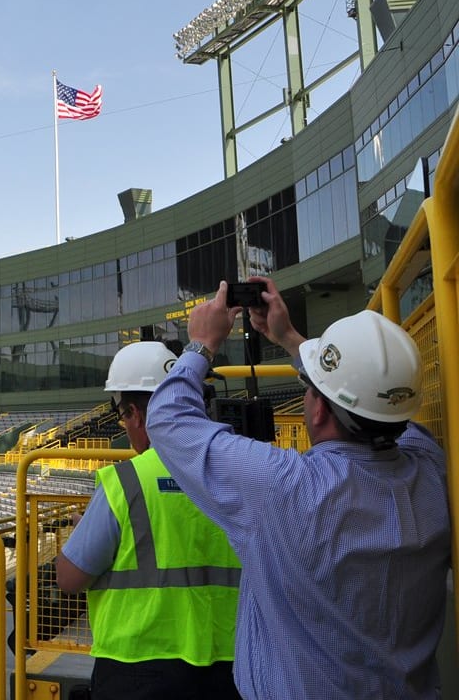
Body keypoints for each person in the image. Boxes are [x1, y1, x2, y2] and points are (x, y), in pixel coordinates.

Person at [146, 278, 450, 699]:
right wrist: (289, 338)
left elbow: (165, 420)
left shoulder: (284, 488)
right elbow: (386, 412)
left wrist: (201, 343)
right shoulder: (429, 468)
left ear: (319, 409)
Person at [55, 341, 242, 699]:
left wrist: (82, 531)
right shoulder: (240, 471)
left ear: (136, 415)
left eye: (123, 415)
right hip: (232, 668)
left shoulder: (125, 482)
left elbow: (69, 578)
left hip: (136, 671)